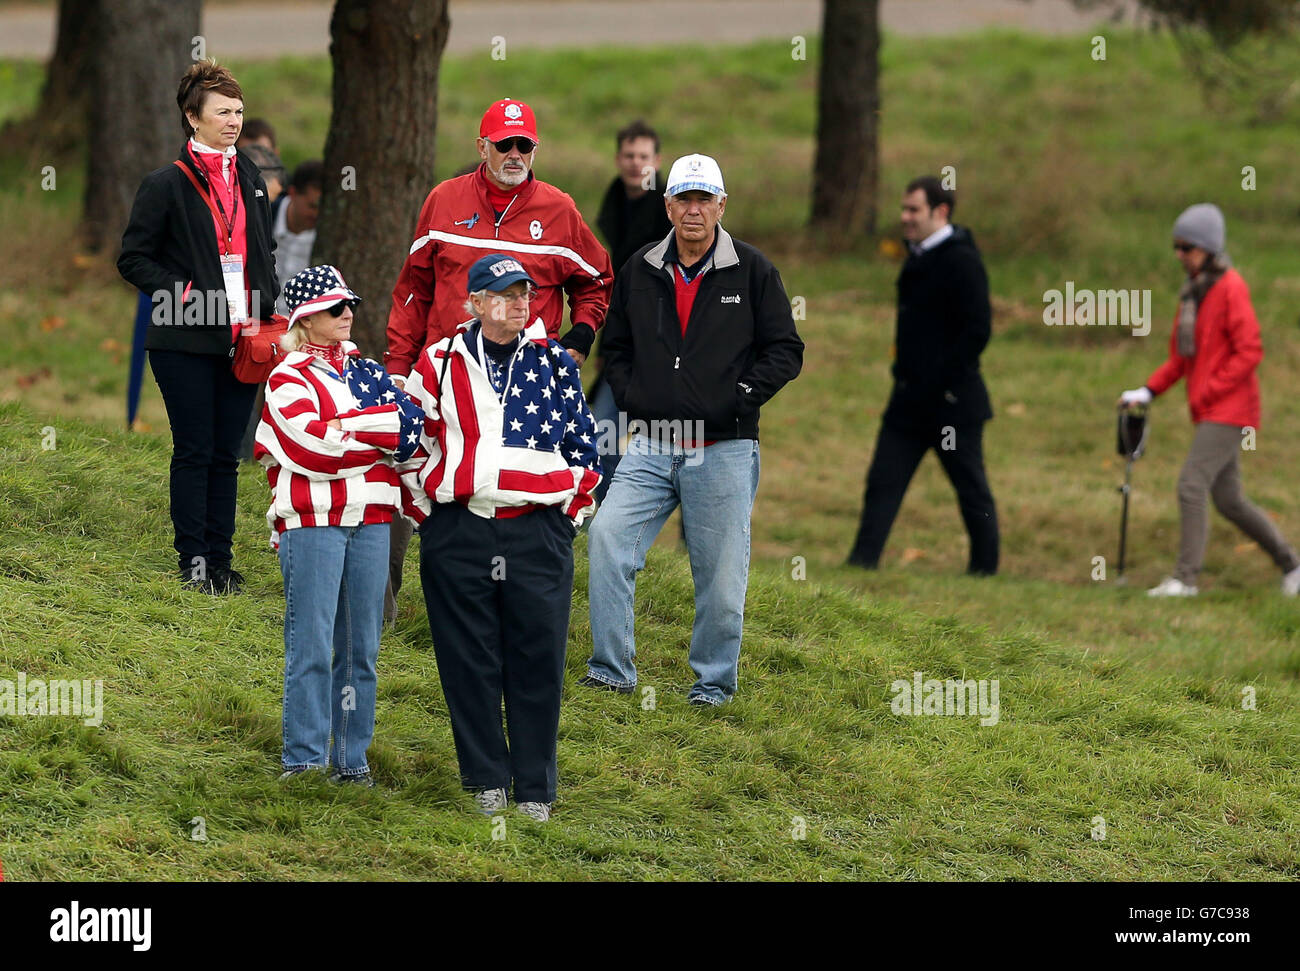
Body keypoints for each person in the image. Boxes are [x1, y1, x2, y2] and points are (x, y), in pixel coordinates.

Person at [582, 154, 804, 706]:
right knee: (607, 538)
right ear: (668, 205)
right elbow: (616, 348)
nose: (694, 210)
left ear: (722, 205)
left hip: (724, 448)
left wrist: (739, 399)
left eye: (705, 199)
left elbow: (785, 350)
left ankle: (713, 685)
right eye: (684, 198)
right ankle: (611, 671)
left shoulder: (753, 270)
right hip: (652, 446)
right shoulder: (640, 268)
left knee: (721, 582)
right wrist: (636, 398)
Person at [382, 98, 612, 624]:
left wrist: (579, 336)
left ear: (536, 148)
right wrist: (399, 364)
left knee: (508, 489)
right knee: (403, 471)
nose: (514, 154)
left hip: (524, 380)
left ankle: (507, 609)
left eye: (524, 145)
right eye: (503, 144)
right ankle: (382, 617)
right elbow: (413, 289)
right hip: (442, 369)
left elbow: (597, 281)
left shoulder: (559, 209)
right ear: (480, 145)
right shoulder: (443, 199)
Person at [403, 254, 602, 821]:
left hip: (537, 533)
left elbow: (585, 445)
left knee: (537, 657)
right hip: (459, 530)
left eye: (526, 294)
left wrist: (566, 517)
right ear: (476, 302)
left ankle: (535, 787)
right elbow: (413, 441)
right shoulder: (438, 360)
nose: (521, 304)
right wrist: (429, 516)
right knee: (468, 657)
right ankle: (485, 775)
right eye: (507, 294)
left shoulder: (553, 363)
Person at [255, 265, 426, 785]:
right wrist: (373, 435)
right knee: (309, 645)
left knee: (362, 652)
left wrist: (349, 428)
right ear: (306, 318)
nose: (347, 312)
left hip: (374, 519)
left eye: (349, 303)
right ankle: (304, 762)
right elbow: (310, 448)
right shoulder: (285, 376)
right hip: (311, 522)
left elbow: (410, 433)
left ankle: (352, 763)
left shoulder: (370, 371)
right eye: (334, 307)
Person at [118, 59, 278, 594]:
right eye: (222, 112)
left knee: (226, 454)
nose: (234, 121)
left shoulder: (251, 175)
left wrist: (267, 296)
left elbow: (263, 246)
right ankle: (195, 564)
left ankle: (222, 560)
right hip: (184, 337)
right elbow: (134, 260)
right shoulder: (165, 183)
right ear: (193, 117)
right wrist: (188, 295)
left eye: (238, 111)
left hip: (243, 338)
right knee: (194, 448)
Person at [1118, 204, 1300, 597]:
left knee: (1190, 485)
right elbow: (1182, 359)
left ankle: (1185, 580)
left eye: (1187, 247)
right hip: (1211, 408)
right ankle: (1293, 565)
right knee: (1230, 500)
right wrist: (1146, 391)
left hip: (1230, 409)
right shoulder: (1193, 293)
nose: (1180, 255)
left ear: (1207, 249)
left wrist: (1210, 389)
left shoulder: (1231, 287)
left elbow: (1249, 350)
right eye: (1176, 247)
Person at [846, 176, 999, 576]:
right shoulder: (917, 255)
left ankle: (986, 572)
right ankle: (861, 564)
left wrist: (941, 381)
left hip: (952, 404)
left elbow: (978, 330)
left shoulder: (962, 259)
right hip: (908, 402)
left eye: (914, 209)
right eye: (904, 209)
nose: (905, 217)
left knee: (971, 490)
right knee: (883, 482)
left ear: (940, 211)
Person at [589, 120, 673, 503]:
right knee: (600, 430)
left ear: (656, 161)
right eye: (629, 155)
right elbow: (617, 289)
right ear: (618, 158)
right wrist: (606, 349)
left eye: (643, 156)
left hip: (665, 348)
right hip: (622, 344)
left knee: (682, 444)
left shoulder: (671, 211)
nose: (635, 163)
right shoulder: (615, 201)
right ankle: (609, 512)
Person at [272, 159, 324, 304]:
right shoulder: (263, 216)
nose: (317, 214)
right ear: (293, 193)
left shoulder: (326, 238)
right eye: (312, 206)